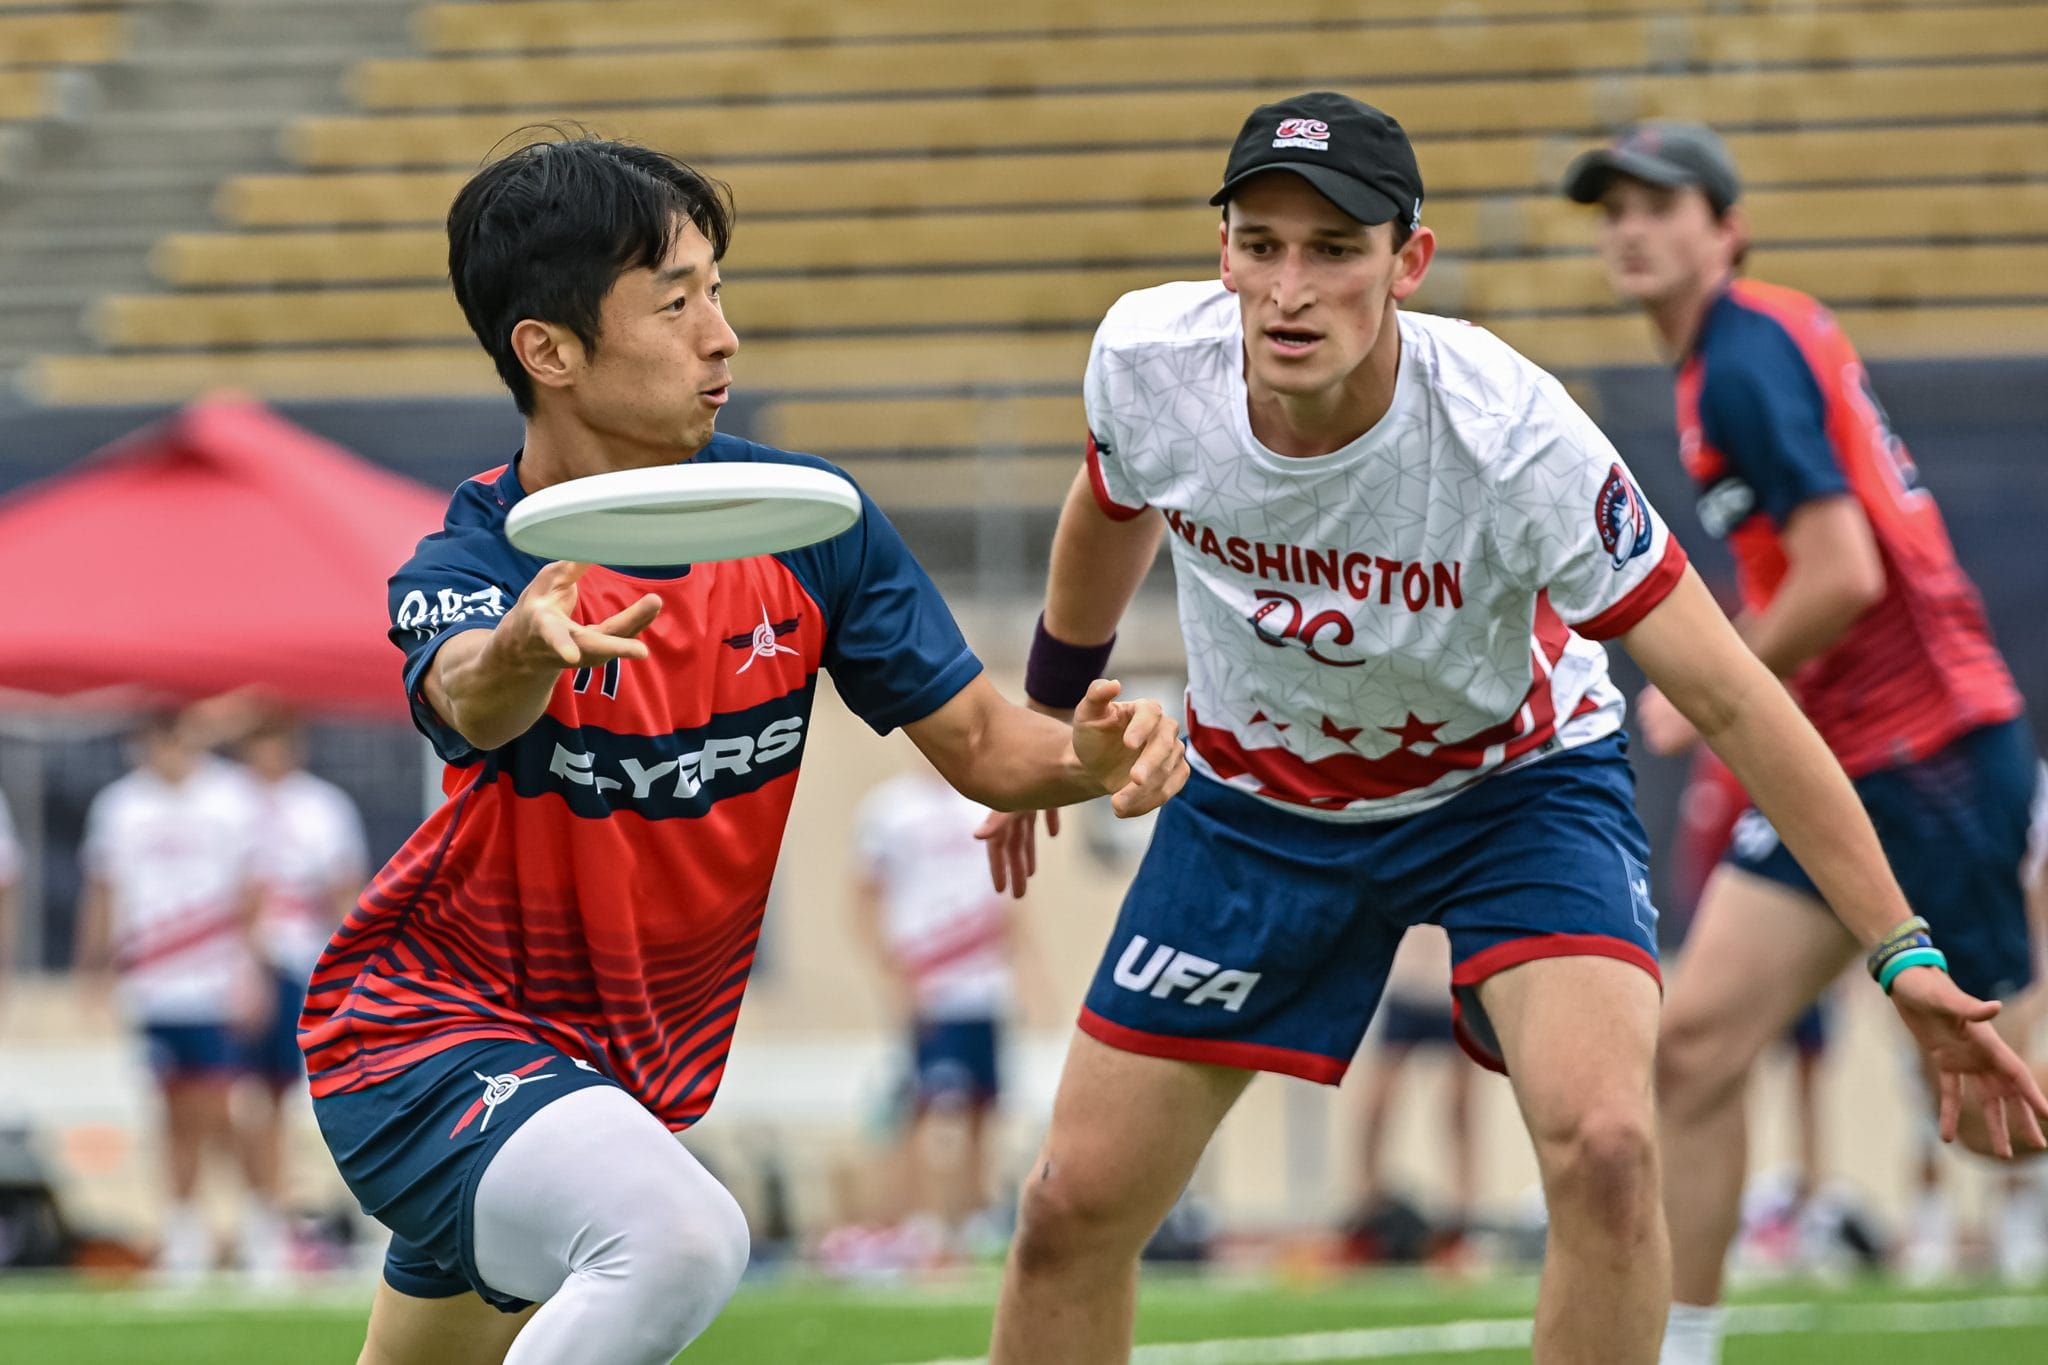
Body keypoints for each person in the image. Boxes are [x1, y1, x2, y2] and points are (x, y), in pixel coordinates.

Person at [974, 91, 2046, 1365]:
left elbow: (1727, 693)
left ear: (1407, 262)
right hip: (1258, 804)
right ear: (1222, 254)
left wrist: (1898, 951)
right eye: (1259, 246)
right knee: (1068, 1208)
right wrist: (1044, 720)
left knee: (1608, 1147)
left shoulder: (1510, 428)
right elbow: (1108, 506)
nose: (1289, 291)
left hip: (1513, 791)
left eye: (1334, 251)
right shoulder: (1148, 360)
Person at [296, 133, 1187, 1365]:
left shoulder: (807, 523)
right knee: (677, 1240)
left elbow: (988, 745)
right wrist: (520, 652)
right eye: (675, 305)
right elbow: (467, 694)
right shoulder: (476, 560)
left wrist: (1096, 752)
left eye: (716, 291)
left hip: (601, 1083)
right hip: (425, 1037)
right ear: (548, 352)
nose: (721, 338)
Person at [1564, 120, 2047, 1361]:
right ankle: (1681, 1344)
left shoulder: (1739, 356)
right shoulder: (1742, 345)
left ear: (1725, 229)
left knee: (1997, 1096)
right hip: (1841, 760)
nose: (1630, 230)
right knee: (1695, 1050)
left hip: (1927, 752)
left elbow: (1840, 570)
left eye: (1660, 206)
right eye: (1614, 210)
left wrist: (1706, 681)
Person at [75, 709, 269, 1284]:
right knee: (170, 1112)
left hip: (213, 980)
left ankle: (262, 1222)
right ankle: (183, 1232)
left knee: (222, 1108)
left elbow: (253, 890)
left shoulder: (229, 797)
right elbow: (103, 890)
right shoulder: (119, 806)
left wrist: (250, 969)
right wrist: (94, 968)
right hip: (153, 983)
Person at [849, 752, 1051, 1251]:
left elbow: (1007, 898)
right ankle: (922, 1223)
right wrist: (893, 978)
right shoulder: (889, 810)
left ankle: (976, 1220)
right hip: (930, 988)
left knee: (986, 1106)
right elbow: (864, 898)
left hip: (985, 986)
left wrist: (1029, 976)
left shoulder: (985, 805)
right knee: (925, 1108)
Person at [234, 705, 368, 1284]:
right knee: (242, 1100)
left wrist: (353, 975)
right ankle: (263, 1217)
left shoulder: (322, 807)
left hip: (306, 967)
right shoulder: (227, 802)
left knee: (303, 1100)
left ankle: (309, 1219)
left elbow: (345, 891)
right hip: (239, 971)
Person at [1350, 924, 1479, 1258]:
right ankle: (1367, 1201)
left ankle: (1463, 1212)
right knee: (1376, 1103)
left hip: (1454, 986)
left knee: (1460, 1108)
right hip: (1406, 987)